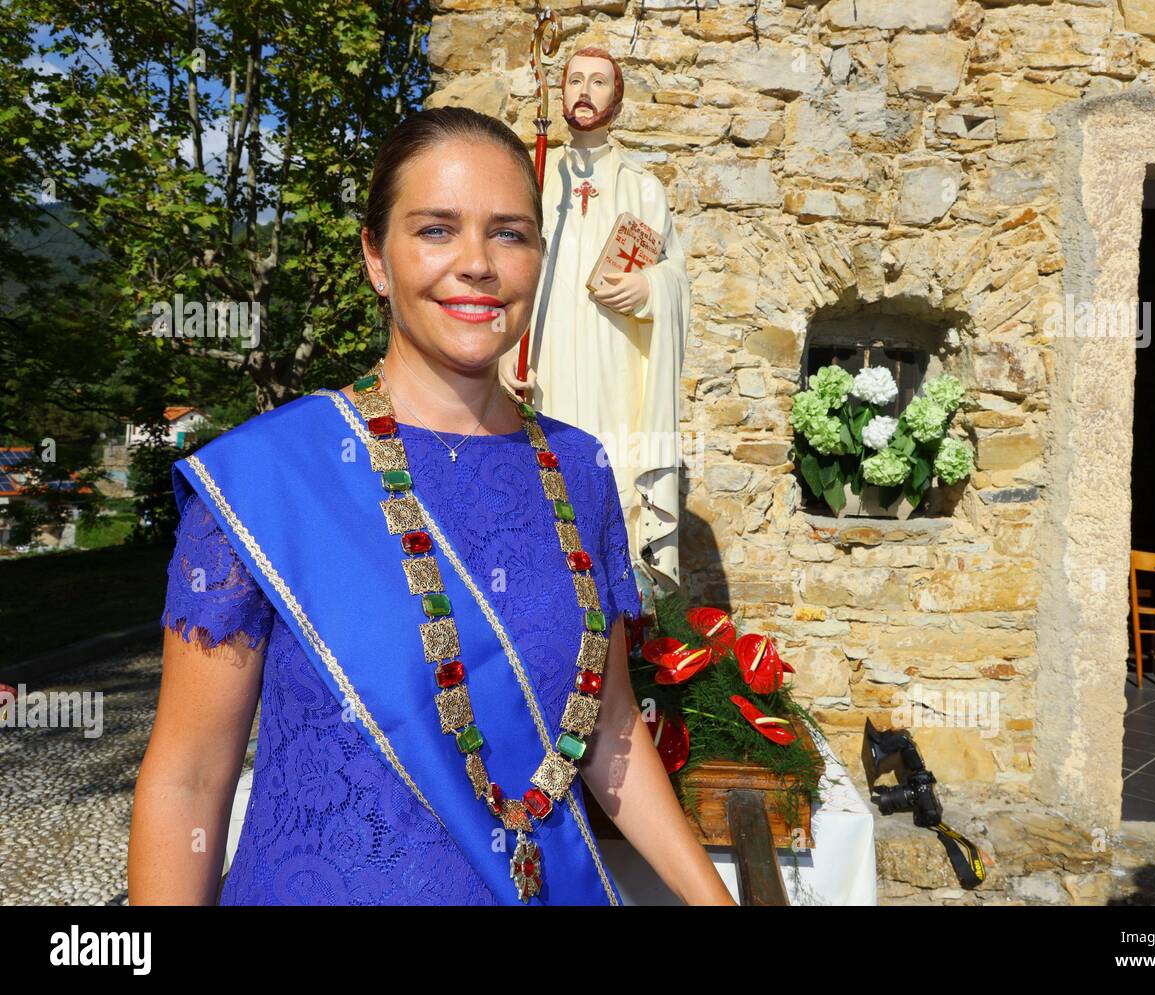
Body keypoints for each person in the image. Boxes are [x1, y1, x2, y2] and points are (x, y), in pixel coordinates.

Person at [128, 106, 735, 906]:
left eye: (509, 233)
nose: (478, 263)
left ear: (539, 260)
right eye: (437, 230)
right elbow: (189, 778)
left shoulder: (580, 469)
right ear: (376, 258)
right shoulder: (269, 476)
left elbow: (611, 729)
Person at [499, 47, 689, 602]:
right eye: (574, 79)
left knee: (610, 486)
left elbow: (677, 277)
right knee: (540, 489)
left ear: (618, 98)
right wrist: (502, 360)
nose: (584, 90)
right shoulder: (531, 180)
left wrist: (650, 287)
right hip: (546, 366)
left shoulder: (642, 187)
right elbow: (501, 275)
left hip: (615, 365)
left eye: (599, 81)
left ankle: (620, 627)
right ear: (559, 94)